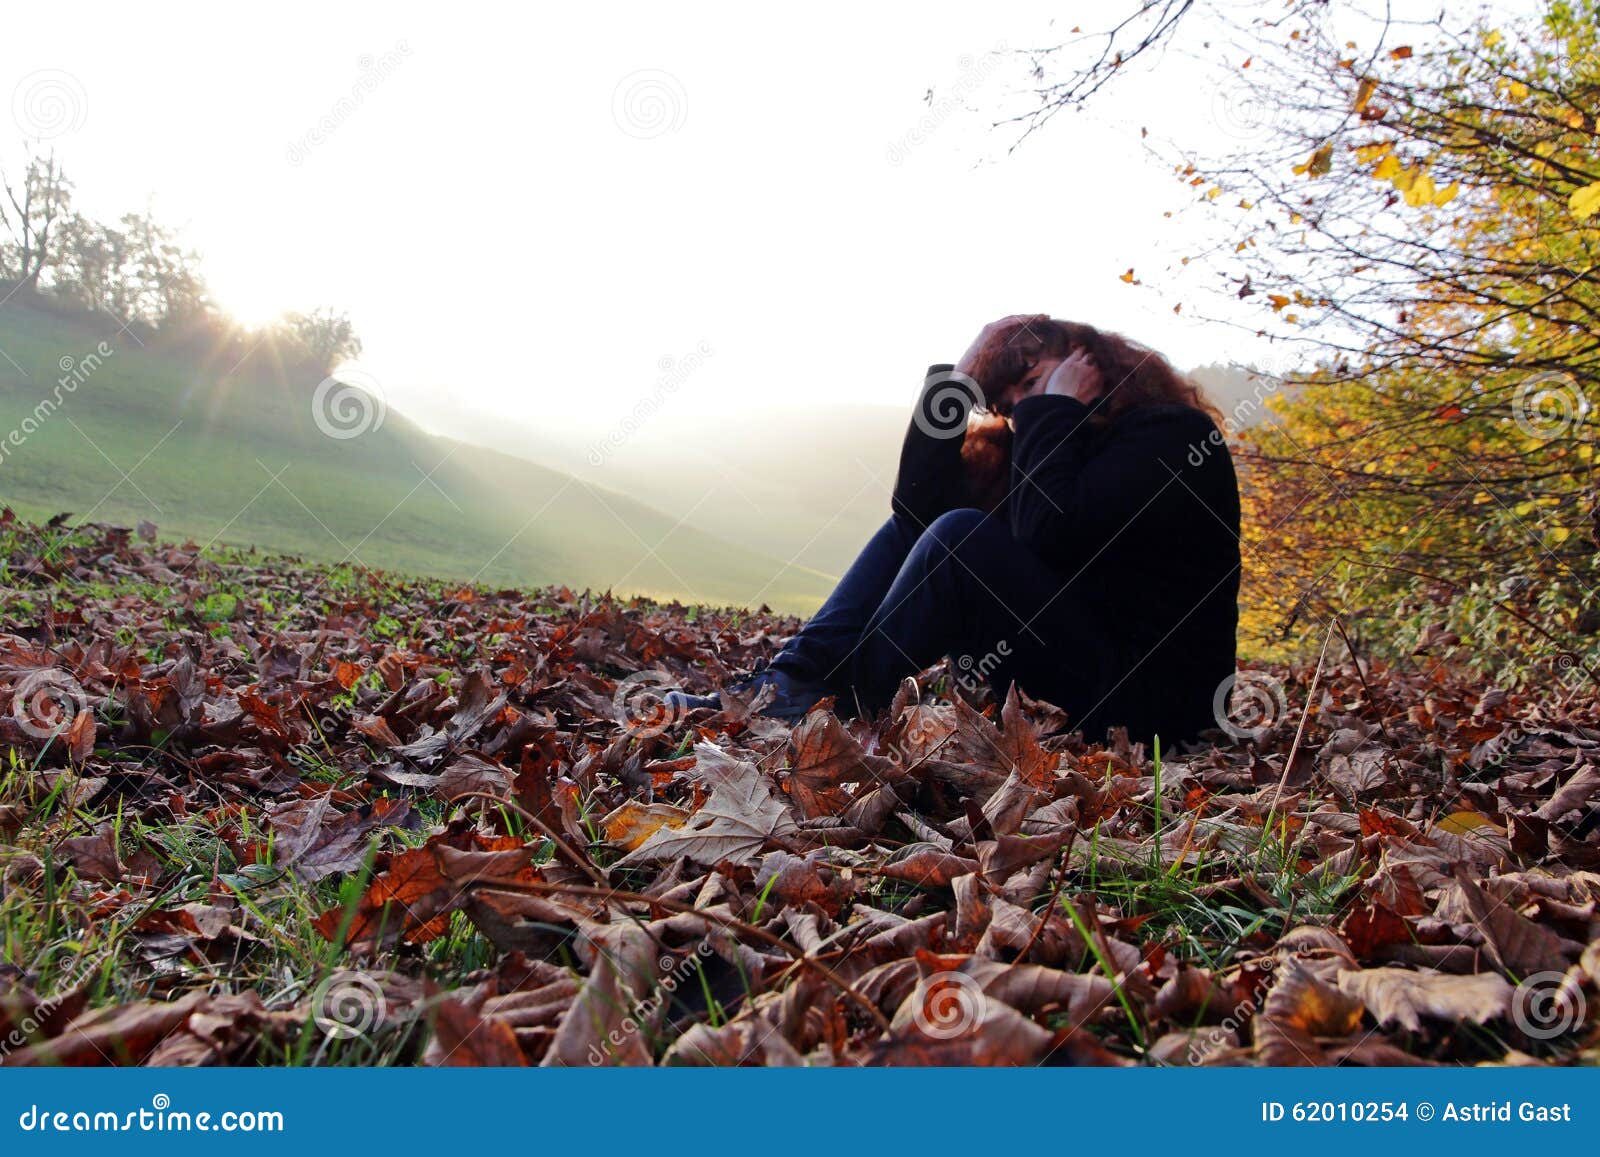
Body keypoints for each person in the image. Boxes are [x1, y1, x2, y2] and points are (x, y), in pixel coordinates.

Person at [671, 315, 1242, 747]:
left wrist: (1053, 411)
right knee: (922, 528)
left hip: (1150, 705)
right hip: (1081, 671)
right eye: (1009, 406)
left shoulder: (1172, 435)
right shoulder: (1052, 443)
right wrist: (957, 380)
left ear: (1086, 363)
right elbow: (915, 509)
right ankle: (787, 686)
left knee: (962, 538)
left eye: (1033, 381)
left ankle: (832, 705)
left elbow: (1052, 532)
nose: (1023, 409)